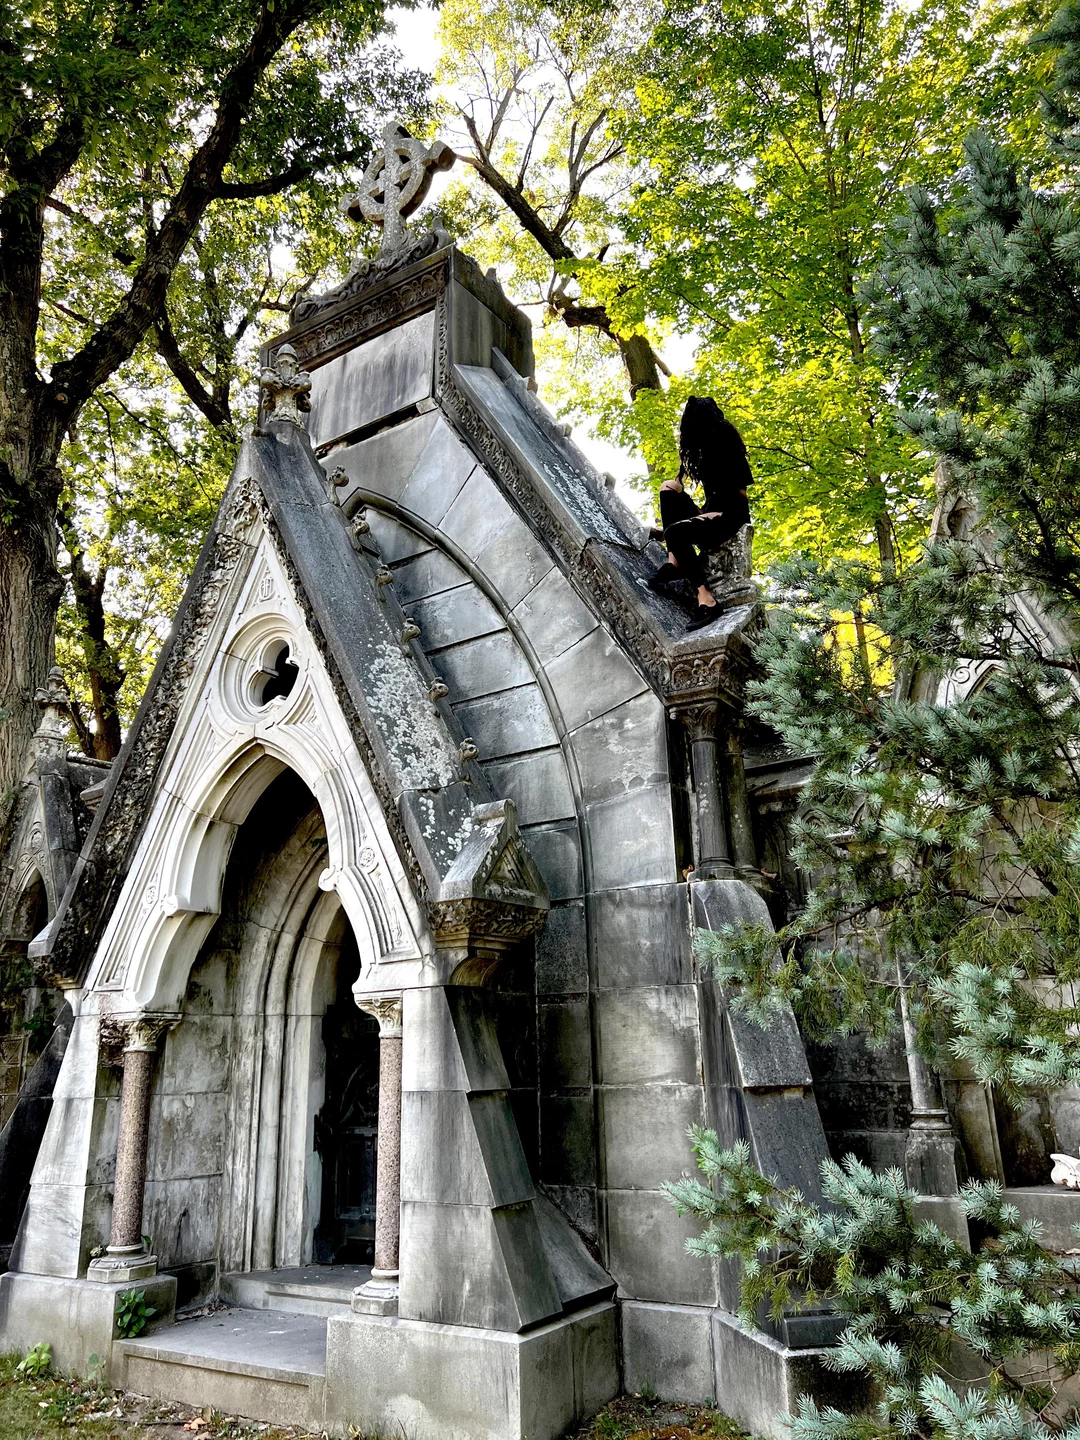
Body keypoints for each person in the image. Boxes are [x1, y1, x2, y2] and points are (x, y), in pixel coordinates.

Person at [648, 396, 753, 632]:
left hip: (731, 513)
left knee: (676, 531)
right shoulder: (698, 450)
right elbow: (679, 484)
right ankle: (673, 559)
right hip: (710, 511)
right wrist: (698, 510)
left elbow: (738, 491)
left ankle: (706, 599)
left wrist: (712, 514)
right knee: (668, 487)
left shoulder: (726, 437)